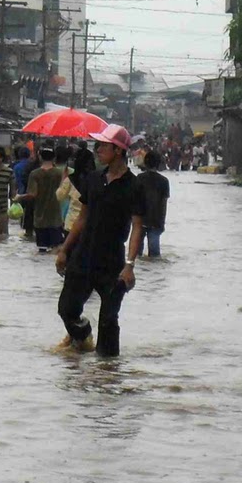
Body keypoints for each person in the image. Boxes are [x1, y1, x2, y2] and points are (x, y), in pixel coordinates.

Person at [54, 125, 146, 357]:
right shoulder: (94, 179)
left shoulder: (134, 186)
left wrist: (130, 265)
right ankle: (82, 335)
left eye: (103, 145)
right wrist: (65, 250)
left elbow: (137, 227)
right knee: (66, 309)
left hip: (112, 261)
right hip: (83, 256)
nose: (98, 149)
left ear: (118, 150)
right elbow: (82, 218)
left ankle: (108, 374)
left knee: (108, 321)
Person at [24, 147, 68, 251]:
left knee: (42, 251)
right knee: (56, 250)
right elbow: (64, 192)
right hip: (56, 218)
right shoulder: (60, 173)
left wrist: (20, 197)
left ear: (40, 157)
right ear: (54, 158)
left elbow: (32, 194)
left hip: (40, 218)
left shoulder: (35, 174)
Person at [138, 150, 171, 258]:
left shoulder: (139, 178)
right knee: (154, 256)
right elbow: (163, 203)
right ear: (158, 164)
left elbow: (133, 199)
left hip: (140, 218)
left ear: (145, 163)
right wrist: (162, 222)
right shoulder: (164, 181)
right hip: (156, 220)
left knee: (136, 253)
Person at [12, 146, 36, 240]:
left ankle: (25, 230)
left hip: (20, 193)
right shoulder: (32, 165)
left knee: (22, 215)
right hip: (32, 193)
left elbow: (15, 182)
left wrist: (14, 195)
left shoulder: (16, 167)